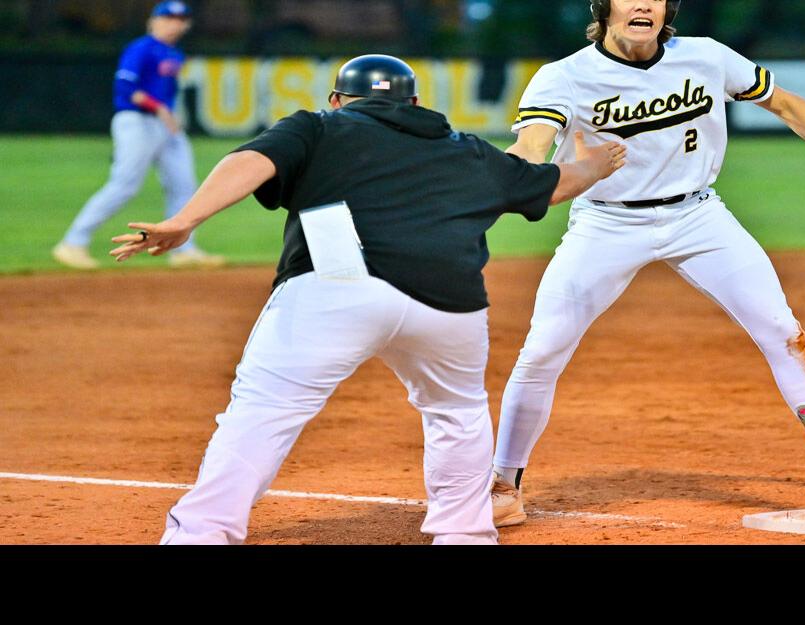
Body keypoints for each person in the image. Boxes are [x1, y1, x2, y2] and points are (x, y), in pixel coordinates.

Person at [109, 54, 626, 544]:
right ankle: (464, 532)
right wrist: (599, 162)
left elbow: (252, 160)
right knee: (457, 411)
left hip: (337, 286)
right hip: (449, 301)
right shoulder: (467, 149)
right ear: (418, 105)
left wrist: (185, 220)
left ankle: (201, 533)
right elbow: (555, 183)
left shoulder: (318, 126)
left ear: (337, 100)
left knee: (264, 409)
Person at [490, 0, 805, 528]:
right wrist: (516, 174)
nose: (643, 3)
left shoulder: (706, 56)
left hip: (699, 217)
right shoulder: (565, 77)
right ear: (603, 6)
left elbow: (784, 104)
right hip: (606, 225)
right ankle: (504, 481)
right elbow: (532, 145)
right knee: (543, 347)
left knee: (780, 329)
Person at [54, 1, 224, 270]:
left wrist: (168, 113)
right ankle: (73, 243)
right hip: (136, 121)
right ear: (153, 21)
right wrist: (160, 109)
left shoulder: (175, 53)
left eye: (181, 19)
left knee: (184, 185)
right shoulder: (141, 48)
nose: (175, 23)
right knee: (125, 184)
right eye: (168, 17)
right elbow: (124, 87)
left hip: (164, 125)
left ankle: (183, 250)